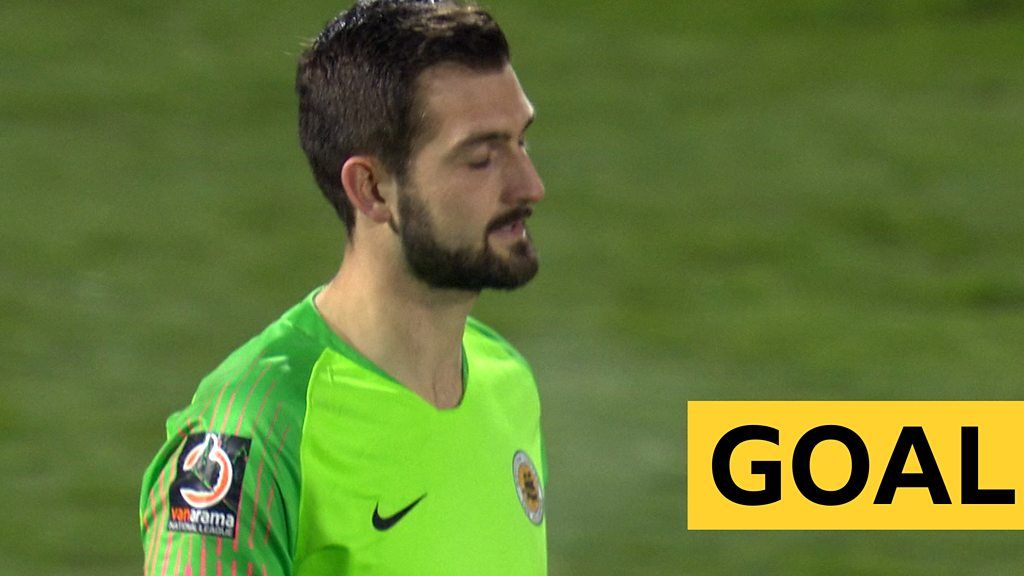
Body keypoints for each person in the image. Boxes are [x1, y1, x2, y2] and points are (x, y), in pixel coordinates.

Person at [139, 1, 548, 574]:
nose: (530, 186)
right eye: (481, 159)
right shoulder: (255, 429)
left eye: (521, 142)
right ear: (372, 189)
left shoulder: (507, 382)